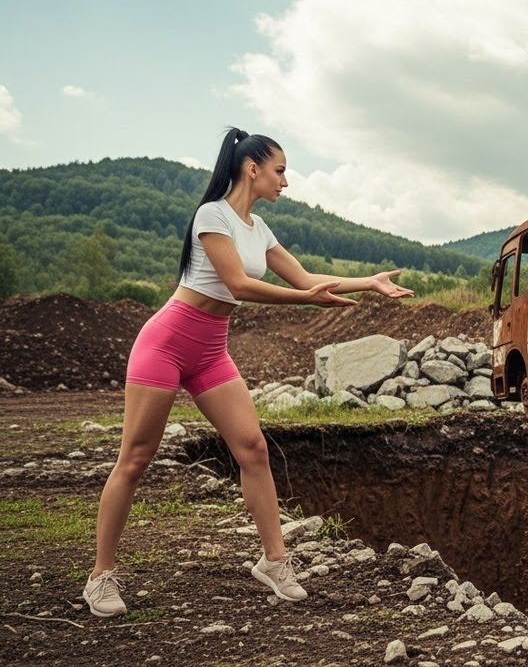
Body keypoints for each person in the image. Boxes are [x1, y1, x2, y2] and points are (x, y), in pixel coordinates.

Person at [82, 128, 413, 617]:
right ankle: (100, 576)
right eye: (280, 169)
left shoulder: (260, 229)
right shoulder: (211, 215)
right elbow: (238, 283)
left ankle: (274, 560)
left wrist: (371, 282)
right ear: (251, 167)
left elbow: (303, 278)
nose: (286, 180)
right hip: (167, 342)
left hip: (212, 348)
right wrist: (304, 300)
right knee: (135, 458)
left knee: (253, 448)